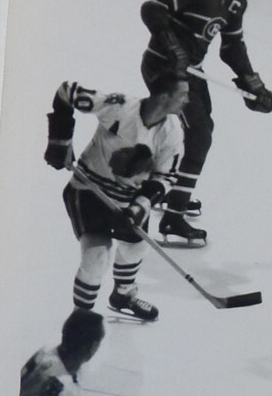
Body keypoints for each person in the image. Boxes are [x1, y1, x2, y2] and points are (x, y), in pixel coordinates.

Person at [139, 0, 272, 247]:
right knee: (200, 134)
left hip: (192, 71)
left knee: (204, 129)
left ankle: (174, 193)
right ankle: (174, 217)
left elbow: (231, 47)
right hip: (164, 67)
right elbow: (151, 7)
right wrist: (173, 48)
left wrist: (253, 84)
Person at [45, 74, 188, 321]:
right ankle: (81, 321)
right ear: (164, 96)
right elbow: (66, 92)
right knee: (96, 258)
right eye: (182, 94)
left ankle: (123, 295)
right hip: (89, 191)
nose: (186, 100)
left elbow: (165, 177)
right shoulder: (119, 107)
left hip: (128, 200)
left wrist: (138, 208)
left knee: (135, 249)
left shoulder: (172, 132)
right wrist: (60, 140)